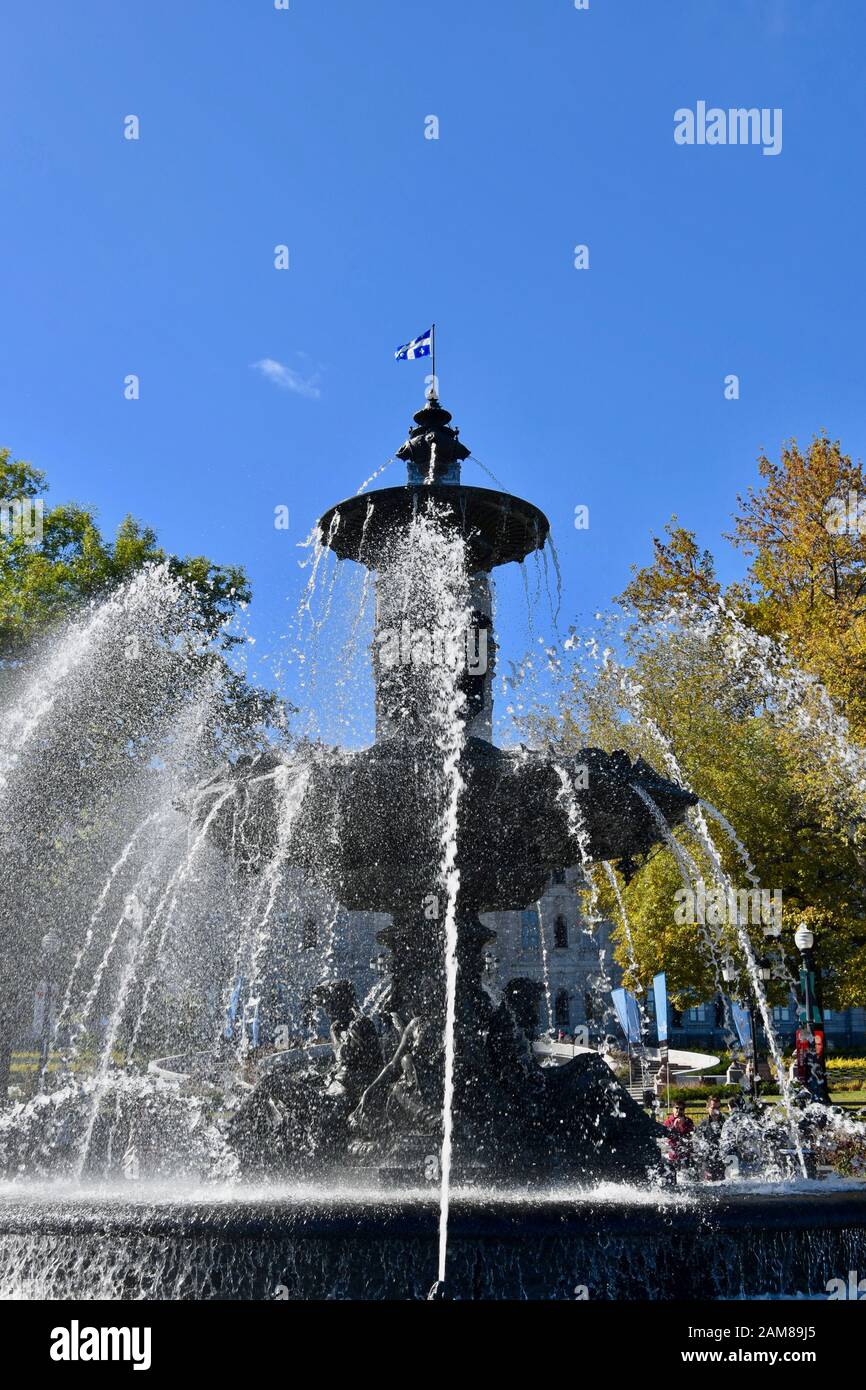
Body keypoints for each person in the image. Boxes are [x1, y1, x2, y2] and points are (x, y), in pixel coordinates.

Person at [695, 1094, 726, 1180]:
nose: (716, 1111)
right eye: (713, 1108)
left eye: (718, 1108)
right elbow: (696, 1143)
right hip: (707, 1161)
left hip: (722, 1160)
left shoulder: (726, 1123)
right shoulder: (702, 1124)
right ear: (707, 1108)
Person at [662, 1099, 694, 1180]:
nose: (679, 1111)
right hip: (673, 1157)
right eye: (677, 1108)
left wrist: (683, 1126)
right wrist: (674, 1126)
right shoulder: (668, 1122)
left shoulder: (688, 1121)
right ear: (673, 1109)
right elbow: (666, 1137)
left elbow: (692, 1138)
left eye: (681, 1109)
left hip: (686, 1157)